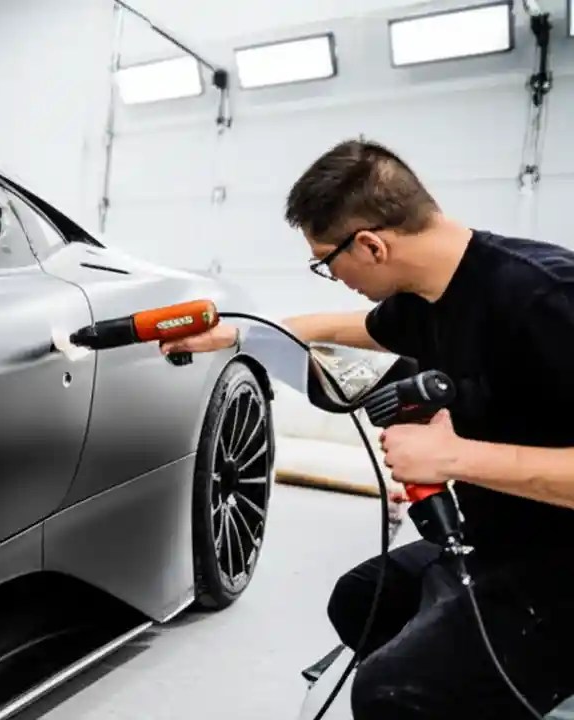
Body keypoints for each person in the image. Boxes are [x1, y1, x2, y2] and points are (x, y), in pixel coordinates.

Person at [160, 138, 574, 719]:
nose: (330, 277)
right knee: (359, 602)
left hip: (560, 563)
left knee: (393, 692)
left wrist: (453, 459)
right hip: (504, 538)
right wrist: (239, 332)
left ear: (371, 244)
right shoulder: (430, 296)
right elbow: (355, 328)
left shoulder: (546, 299)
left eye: (325, 263)